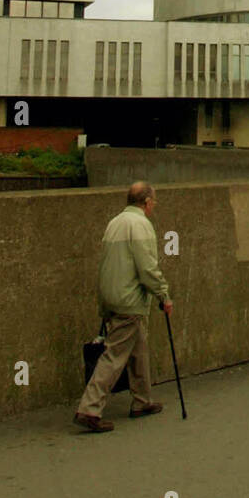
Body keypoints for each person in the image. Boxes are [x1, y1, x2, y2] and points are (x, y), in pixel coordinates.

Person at [74, 181, 173, 432]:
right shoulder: (141, 225)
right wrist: (163, 295)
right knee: (115, 355)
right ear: (147, 202)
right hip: (130, 299)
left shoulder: (114, 222)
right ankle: (90, 408)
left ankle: (143, 401)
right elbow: (147, 268)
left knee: (138, 348)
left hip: (111, 297)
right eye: (154, 202)